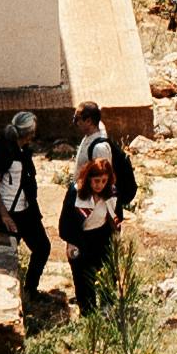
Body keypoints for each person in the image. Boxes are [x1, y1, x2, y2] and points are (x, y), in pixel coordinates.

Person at [0, 115, 50, 318]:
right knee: (1, 260)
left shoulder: (21, 151)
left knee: (42, 248)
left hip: (26, 212)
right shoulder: (5, 153)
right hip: (9, 215)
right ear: (29, 134)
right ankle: (0, 304)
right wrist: (4, 216)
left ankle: (30, 290)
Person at [58, 115, 133, 314]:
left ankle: (107, 309)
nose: (99, 185)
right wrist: (72, 243)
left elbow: (115, 216)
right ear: (89, 179)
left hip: (102, 237)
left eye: (103, 181)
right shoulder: (76, 193)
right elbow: (66, 223)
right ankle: (88, 313)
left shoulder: (112, 194)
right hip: (81, 239)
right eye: (96, 181)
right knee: (84, 280)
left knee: (108, 273)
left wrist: (116, 236)